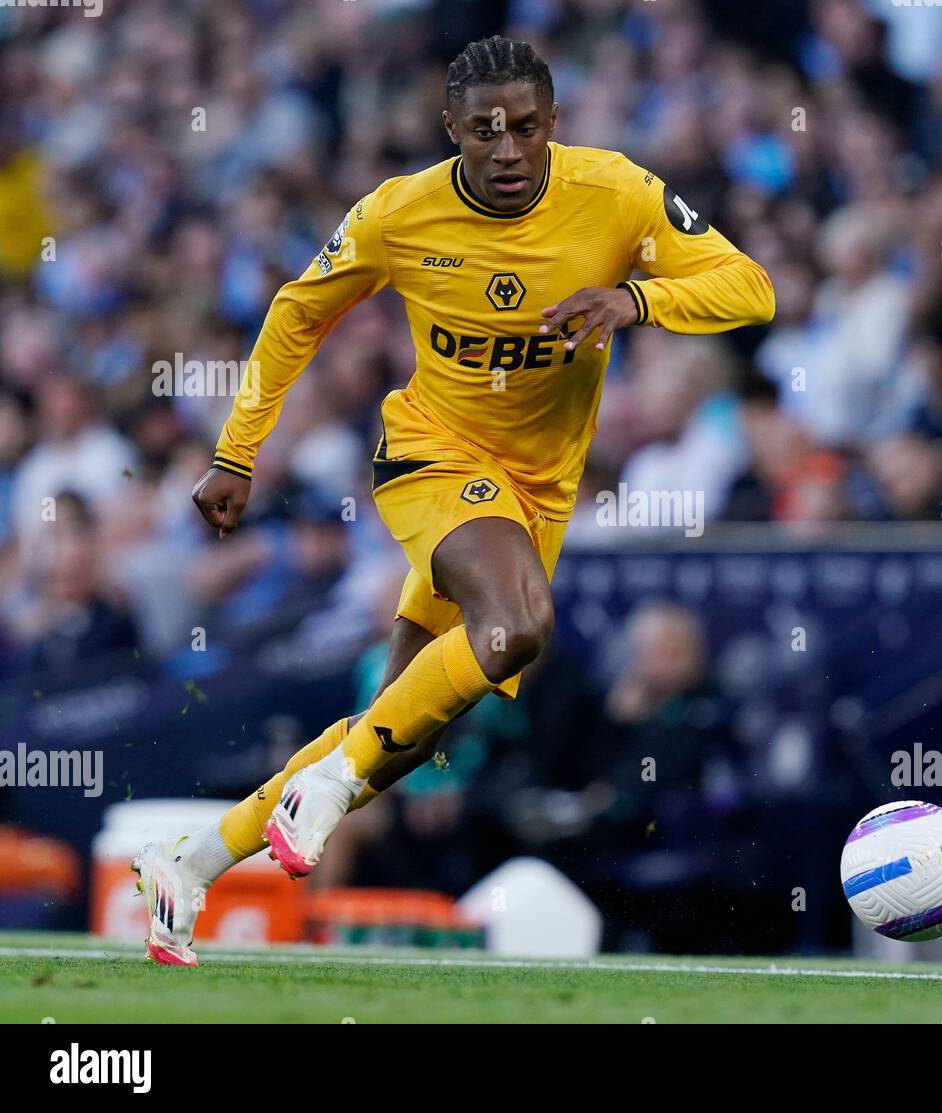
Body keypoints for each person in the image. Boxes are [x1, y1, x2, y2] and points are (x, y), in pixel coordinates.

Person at [131, 36, 774, 966]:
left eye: (525, 127)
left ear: (554, 123)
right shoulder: (400, 213)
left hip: (537, 491)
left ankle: (189, 861)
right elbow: (296, 311)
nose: (508, 149)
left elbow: (749, 288)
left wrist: (634, 301)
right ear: (451, 131)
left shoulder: (619, 192)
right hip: (433, 456)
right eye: (484, 131)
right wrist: (236, 453)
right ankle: (331, 784)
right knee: (515, 628)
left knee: (391, 730)